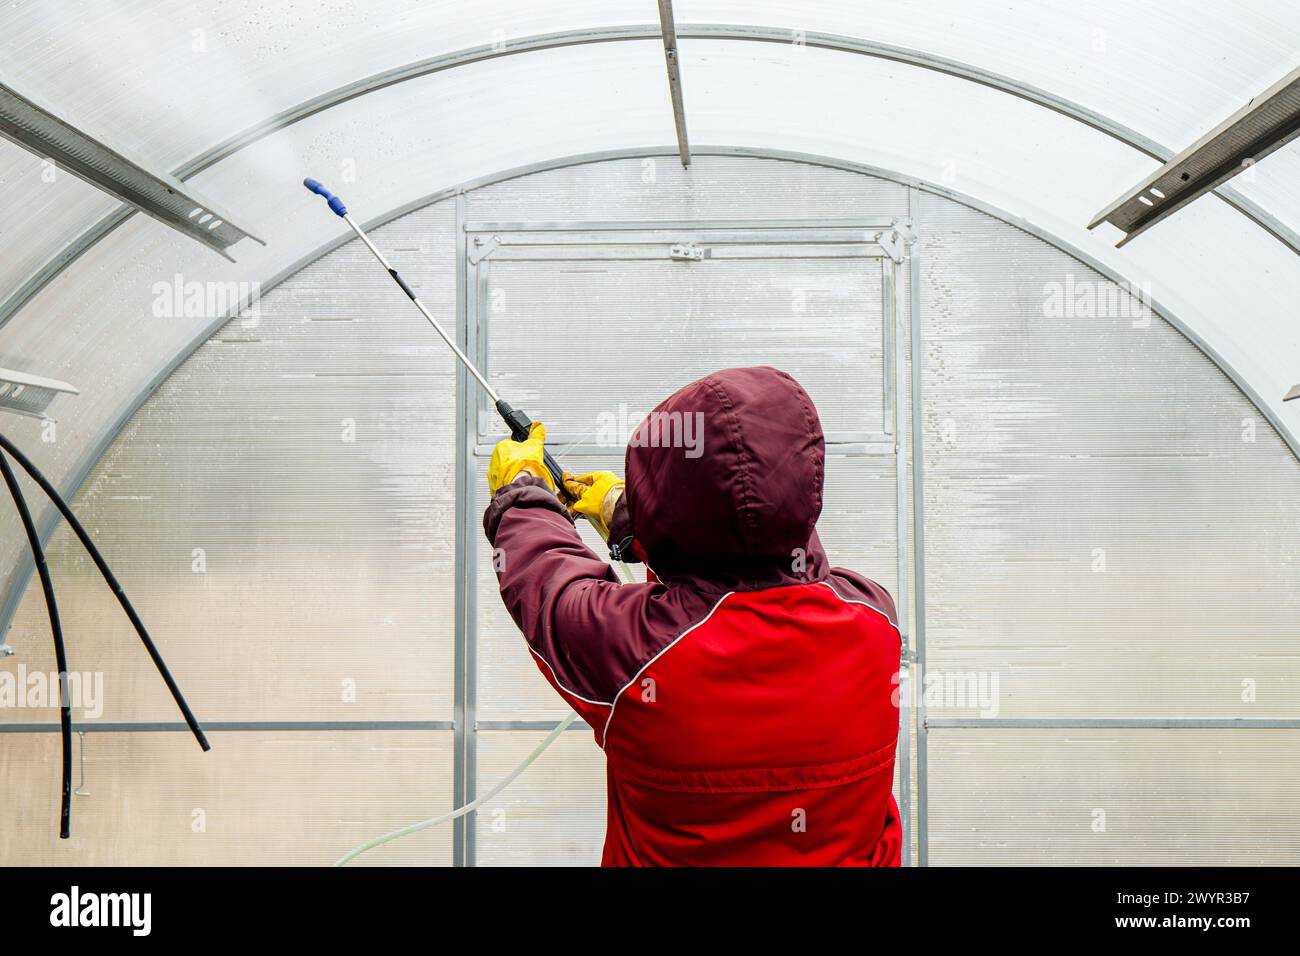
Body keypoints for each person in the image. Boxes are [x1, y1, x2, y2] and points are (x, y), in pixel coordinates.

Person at [483, 366, 902, 866]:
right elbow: (769, 545)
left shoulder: (632, 654)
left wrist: (522, 489)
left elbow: (547, 580)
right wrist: (634, 519)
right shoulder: (876, 618)